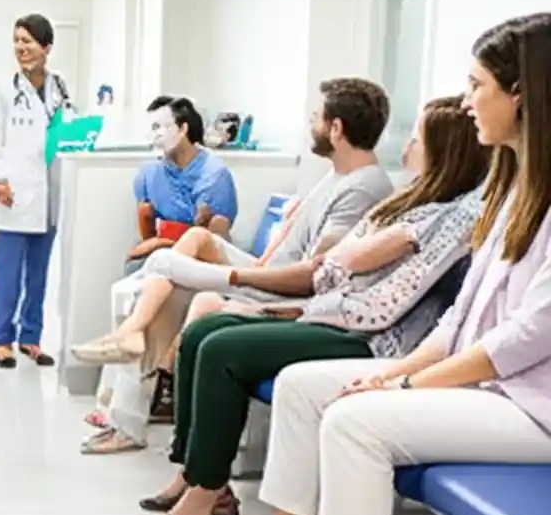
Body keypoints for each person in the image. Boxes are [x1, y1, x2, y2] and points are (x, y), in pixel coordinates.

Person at [217, 12, 551, 515]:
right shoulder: (512, 187)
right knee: (302, 386)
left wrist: (402, 390)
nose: (467, 100)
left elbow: (526, 337)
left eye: (477, 84)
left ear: (523, 96)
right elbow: (463, 318)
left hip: (534, 406)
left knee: (355, 424)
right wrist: (397, 371)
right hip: (491, 386)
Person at [138, 94, 491, 515]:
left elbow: (362, 281)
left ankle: (207, 493)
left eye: (416, 139)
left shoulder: (448, 216)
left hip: (371, 337)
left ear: (444, 151)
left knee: (222, 349)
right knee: (202, 331)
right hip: (336, 312)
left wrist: (328, 286)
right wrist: (330, 277)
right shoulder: (409, 203)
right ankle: (196, 475)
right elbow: (339, 262)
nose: (404, 148)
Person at [72, 78, 395, 446]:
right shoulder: (338, 175)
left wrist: (243, 277)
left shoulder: (363, 187)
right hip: (265, 271)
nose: (310, 124)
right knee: (157, 276)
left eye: (315, 117)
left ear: (336, 129)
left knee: (155, 275)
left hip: (279, 291)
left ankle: (128, 391)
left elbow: (315, 276)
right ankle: (127, 396)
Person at [0, 13, 73, 369]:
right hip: (16, 191)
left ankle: (31, 337)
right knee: (8, 271)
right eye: (17, 41)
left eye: (29, 41)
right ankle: (0, 339)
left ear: (47, 47)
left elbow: (65, 129)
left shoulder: (60, 86)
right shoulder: (4, 88)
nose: (21, 48)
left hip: (49, 191)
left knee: (39, 271)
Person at [129, 95, 239, 262]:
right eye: (152, 128)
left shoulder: (215, 175)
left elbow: (216, 243)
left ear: (182, 129)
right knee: (134, 265)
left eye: (160, 127)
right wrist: (155, 244)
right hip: (161, 254)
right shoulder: (148, 173)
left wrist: (161, 244)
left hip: (204, 258)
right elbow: (146, 226)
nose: (154, 135)